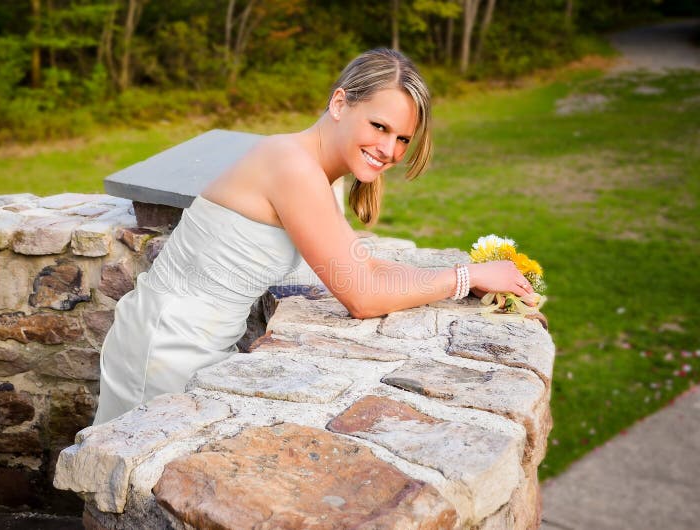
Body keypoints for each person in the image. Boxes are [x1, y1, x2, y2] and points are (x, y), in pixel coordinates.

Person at [92, 48, 535, 425]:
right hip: (163, 346)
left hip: (196, 343)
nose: (390, 150)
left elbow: (358, 266)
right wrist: (463, 275)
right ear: (340, 104)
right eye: (379, 127)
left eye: (403, 138)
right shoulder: (291, 164)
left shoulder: (317, 173)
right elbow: (361, 296)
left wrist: (470, 278)